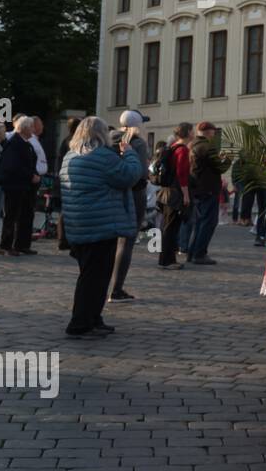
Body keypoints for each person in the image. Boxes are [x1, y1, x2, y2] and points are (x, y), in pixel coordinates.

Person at [59, 117, 144, 338]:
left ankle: (94, 318)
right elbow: (130, 176)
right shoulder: (102, 156)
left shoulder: (71, 156)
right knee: (94, 278)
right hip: (101, 224)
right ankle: (80, 323)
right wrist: (130, 153)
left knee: (92, 275)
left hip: (79, 224)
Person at [109, 111, 151, 303]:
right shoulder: (138, 143)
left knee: (109, 241)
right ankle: (116, 289)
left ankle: (104, 285)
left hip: (111, 192)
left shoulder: (107, 138)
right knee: (126, 241)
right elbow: (141, 172)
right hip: (134, 194)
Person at [188, 121, 231, 265]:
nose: (214, 134)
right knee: (208, 222)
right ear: (209, 132)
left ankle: (192, 252)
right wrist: (228, 159)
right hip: (209, 188)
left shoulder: (192, 145)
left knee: (200, 222)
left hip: (197, 188)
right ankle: (199, 254)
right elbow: (220, 167)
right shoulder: (207, 147)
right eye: (213, 132)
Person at [0, 116, 40, 257]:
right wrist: (30, 175)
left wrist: (34, 174)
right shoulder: (14, 143)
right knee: (11, 216)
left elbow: (30, 162)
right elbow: (14, 166)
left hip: (25, 186)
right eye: (32, 127)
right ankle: (5, 246)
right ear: (25, 128)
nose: (34, 130)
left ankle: (22, 245)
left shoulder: (25, 143)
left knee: (25, 215)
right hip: (14, 186)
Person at [156, 124, 193, 269]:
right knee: (171, 228)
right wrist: (186, 195)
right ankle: (167, 261)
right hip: (175, 193)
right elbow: (182, 175)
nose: (194, 133)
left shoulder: (172, 146)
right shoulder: (182, 150)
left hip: (166, 191)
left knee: (168, 226)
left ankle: (167, 259)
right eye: (192, 131)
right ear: (188, 133)